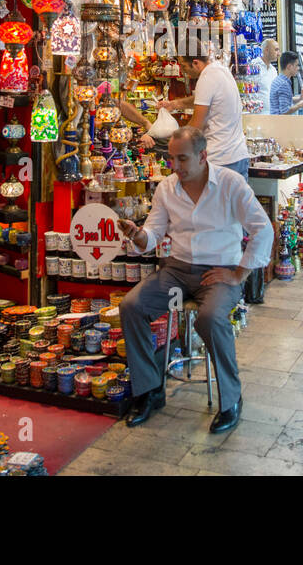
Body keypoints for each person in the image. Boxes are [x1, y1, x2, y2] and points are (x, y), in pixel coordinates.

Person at [116, 127, 272, 434]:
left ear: (202, 156)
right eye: (172, 158)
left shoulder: (230, 184)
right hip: (177, 272)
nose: (176, 166)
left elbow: (262, 228)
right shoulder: (166, 188)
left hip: (218, 273)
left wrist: (239, 273)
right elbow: (153, 236)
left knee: (211, 318)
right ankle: (149, 391)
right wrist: (136, 234)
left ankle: (231, 399)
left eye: (182, 158)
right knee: (132, 305)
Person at [159, 49, 251, 177]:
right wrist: (174, 104)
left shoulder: (206, 77)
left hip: (220, 160)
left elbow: (197, 125)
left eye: (184, 66)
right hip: (238, 156)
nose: (183, 70)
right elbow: (204, 99)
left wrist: (176, 142)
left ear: (195, 63)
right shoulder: (221, 70)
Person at [269, 50, 303, 115]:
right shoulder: (283, 84)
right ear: (289, 66)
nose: (298, 68)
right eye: (296, 65)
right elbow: (284, 111)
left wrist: (299, 99)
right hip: (281, 123)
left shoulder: (279, 80)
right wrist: (300, 105)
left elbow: (283, 100)